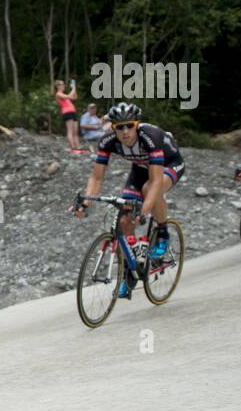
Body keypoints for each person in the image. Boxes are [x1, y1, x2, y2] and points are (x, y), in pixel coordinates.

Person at [72, 103, 185, 298]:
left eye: (129, 125)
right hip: (140, 169)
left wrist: (145, 210)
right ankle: (129, 273)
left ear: (137, 124)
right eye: (119, 127)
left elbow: (157, 181)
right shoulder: (107, 141)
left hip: (169, 164)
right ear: (113, 128)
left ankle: (163, 233)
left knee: (150, 189)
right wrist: (86, 203)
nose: (125, 131)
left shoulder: (151, 136)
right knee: (124, 218)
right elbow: (97, 177)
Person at [54, 79, 82, 152]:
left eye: (63, 84)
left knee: (75, 131)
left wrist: (74, 88)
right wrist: (73, 88)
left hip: (72, 112)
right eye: (61, 84)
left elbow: (75, 97)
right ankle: (73, 148)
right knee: (70, 131)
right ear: (57, 86)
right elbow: (69, 96)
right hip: (67, 113)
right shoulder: (58, 94)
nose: (63, 85)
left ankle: (78, 147)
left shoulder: (64, 94)